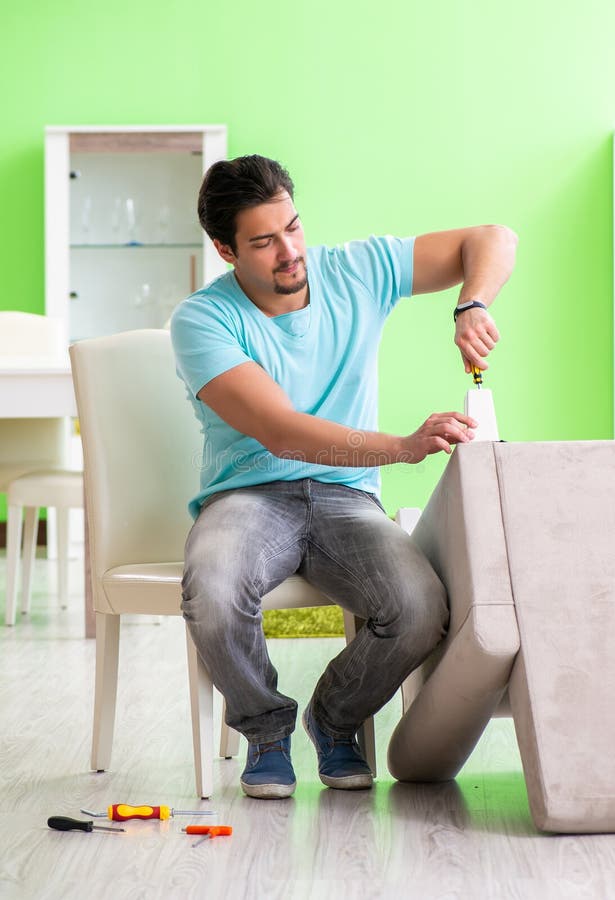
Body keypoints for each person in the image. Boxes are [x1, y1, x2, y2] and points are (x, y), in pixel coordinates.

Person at [170, 154, 517, 800]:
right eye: (264, 241)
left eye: (293, 228)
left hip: (344, 499)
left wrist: (470, 303)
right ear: (224, 249)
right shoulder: (201, 321)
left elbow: (493, 239)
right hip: (248, 494)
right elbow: (280, 429)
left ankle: (334, 718)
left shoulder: (357, 270)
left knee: (418, 608)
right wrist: (403, 447)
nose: (290, 252)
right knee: (212, 594)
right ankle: (265, 731)